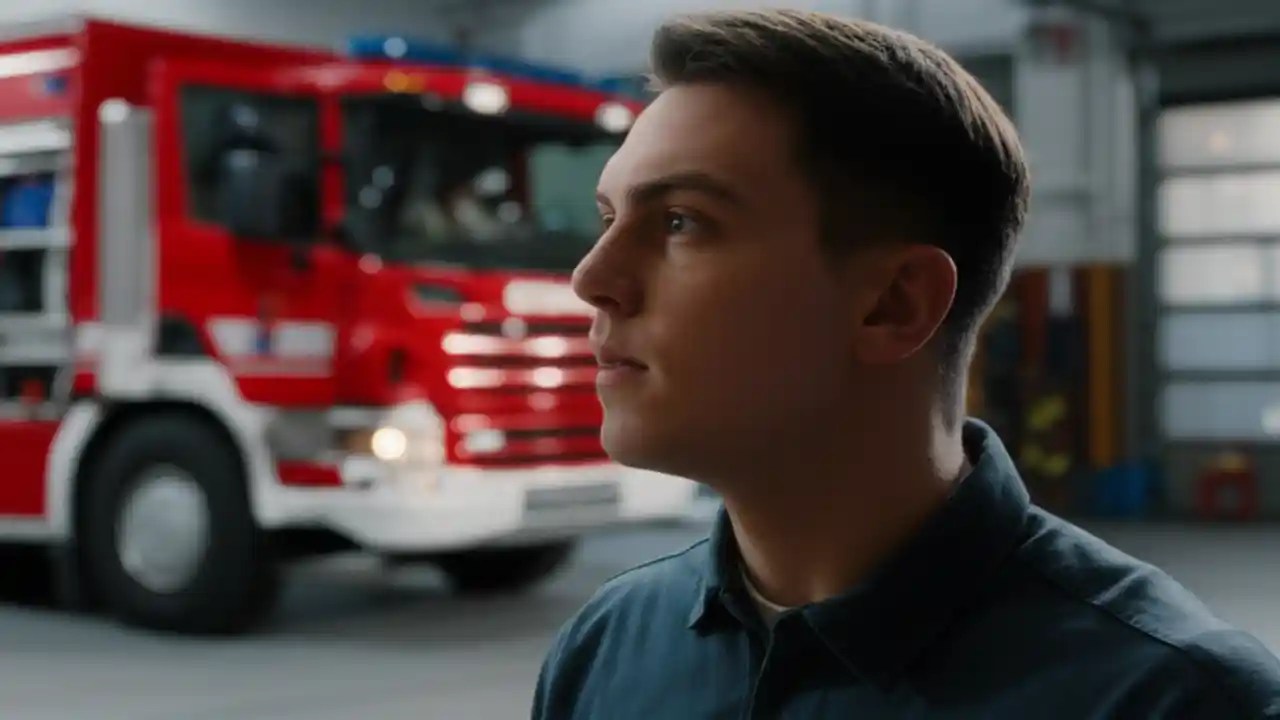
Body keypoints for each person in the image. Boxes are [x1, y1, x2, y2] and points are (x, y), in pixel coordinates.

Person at [531, 9, 1280, 719]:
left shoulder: (1169, 698)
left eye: (681, 222)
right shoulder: (606, 649)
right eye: (607, 218)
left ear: (894, 304)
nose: (591, 277)